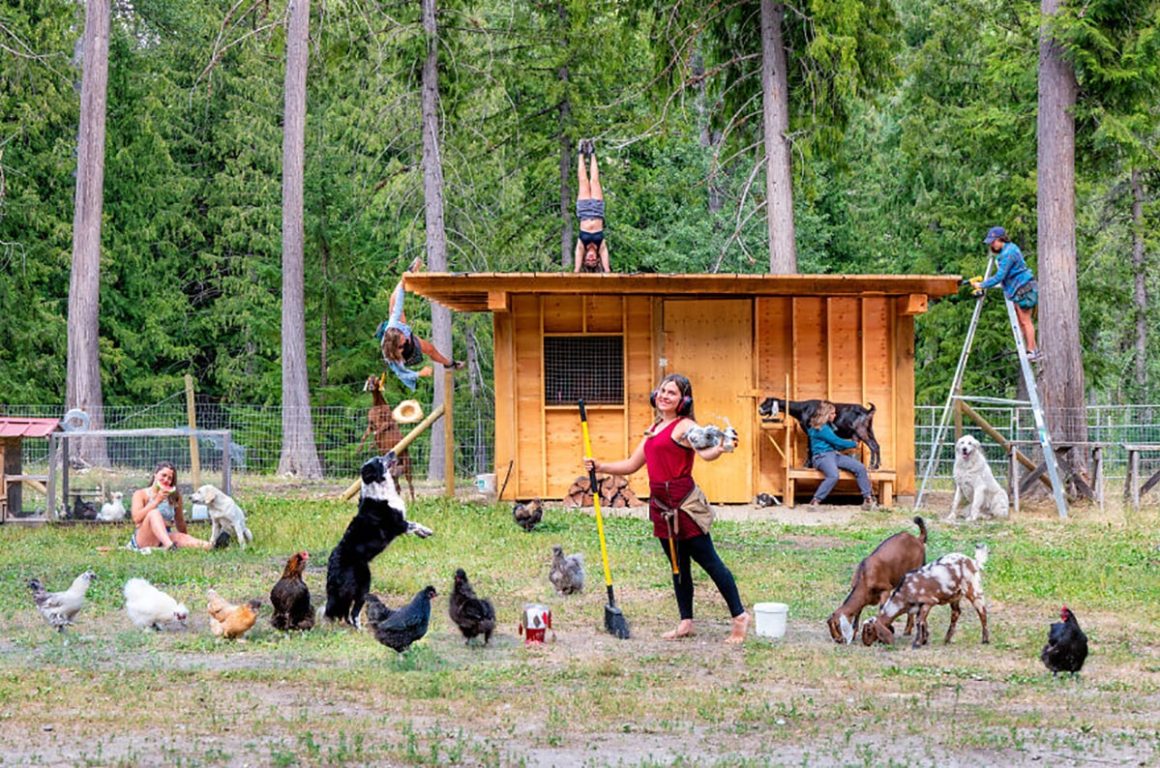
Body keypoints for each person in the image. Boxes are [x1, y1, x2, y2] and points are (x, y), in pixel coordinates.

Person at [584, 373, 749, 643]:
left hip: (684, 506)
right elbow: (631, 464)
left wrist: (721, 448)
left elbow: (705, 453)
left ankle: (740, 617)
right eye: (661, 391)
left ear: (682, 400)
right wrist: (600, 466)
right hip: (661, 505)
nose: (663, 396)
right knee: (677, 565)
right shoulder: (655, 428)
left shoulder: (685, 427)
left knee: (709, 561)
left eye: (671, 393)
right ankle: (686, 621)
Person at [376, 258, 464, 390]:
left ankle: (449, 363)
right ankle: (449, 364)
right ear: (397, 347)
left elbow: (399, 300)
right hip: (409, 354)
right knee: (428, 349)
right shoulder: (393, 359)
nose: (404, 337)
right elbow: (403, 375)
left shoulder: (394, 324)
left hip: (399, 335)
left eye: (402, 335)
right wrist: (420, 374)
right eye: (402, 341)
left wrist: (406, 276)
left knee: (393, 299)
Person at [975, 226, 1041, 362]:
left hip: (1023, 288)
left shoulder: (1008, 253)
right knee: (1021, 322)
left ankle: (1031, 351)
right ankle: (1032, 349)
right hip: (1017, 288)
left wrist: (981, 285)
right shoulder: (1008, 249)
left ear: (1001, 239)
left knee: (1025, 321)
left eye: (993, 242)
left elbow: (1000, 276)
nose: (992, 245)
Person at [129, 461, 220, 551]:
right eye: (163, 475)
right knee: (154, 513)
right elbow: (137, 518)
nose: (166, 480)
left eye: (170, 478)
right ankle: (170, 547)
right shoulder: (140, 494)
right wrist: (157, 500)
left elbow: (180, 521)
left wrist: (184, 537)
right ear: (155, 474)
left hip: (166, 535)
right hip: (144, 537)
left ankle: (214, 545)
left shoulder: (174, 497)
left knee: (190, 541)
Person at [806, 401, 877, 510]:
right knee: (833, 475)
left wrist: (846, 445)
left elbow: (836, 445)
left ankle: (868, 499)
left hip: (833, 455)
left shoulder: (828, 426)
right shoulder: (821, 428)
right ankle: (815, 502)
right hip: (822, 457)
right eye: (833, 413)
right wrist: (853, 444)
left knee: (860, 468)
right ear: (826, 414)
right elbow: (837, 442)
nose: (835, 415)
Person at [573, 138, 611, 273]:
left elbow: (576, 269)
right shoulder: (601, 246)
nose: (590, 258)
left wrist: (576, 272)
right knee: (594, 181)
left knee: (583, 180)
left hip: (584, 213)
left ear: (584, 259)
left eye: (588, 260)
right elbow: (607, 269)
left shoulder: (581, 246)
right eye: (593, 260)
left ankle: (581, 153)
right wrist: (607, 272)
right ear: (597, 258)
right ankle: (592, 152)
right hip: (596, 211)